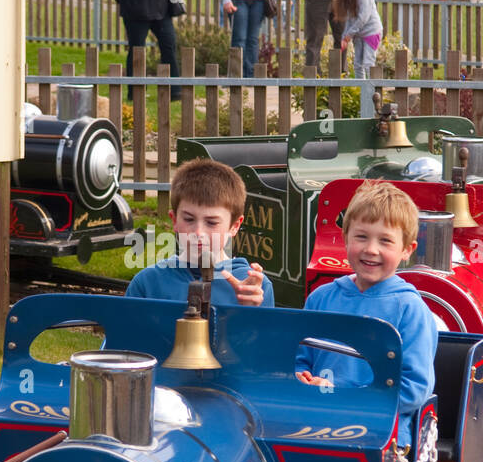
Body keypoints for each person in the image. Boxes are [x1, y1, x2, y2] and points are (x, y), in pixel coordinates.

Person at [296, 180, 437, 427]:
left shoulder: (410, 310)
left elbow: (414, 389)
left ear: (407, 249)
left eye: (385, 241)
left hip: (380, 428)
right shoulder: (320, 298)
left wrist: (344, 396)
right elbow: (300, 358)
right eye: (361, 237)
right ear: (345, 238)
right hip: (315, 417)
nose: (371, 249)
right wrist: (301, 378)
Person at [125, 158, 274, 307]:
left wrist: (251, 313)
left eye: (211, 222)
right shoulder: (147, 283)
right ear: (174, 220)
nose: (198, 232)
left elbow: (264, 331)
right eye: (189, 219)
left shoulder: (253, 288)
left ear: (234, 226)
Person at [335, 0, 383, 118]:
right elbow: (350, 19)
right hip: (358, 34)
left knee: (368, 63)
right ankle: (360, 92)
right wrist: (344, 36)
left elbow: (363, 17)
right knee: (357, 64)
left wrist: (349, 35)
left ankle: (372, 95)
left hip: (371, 32)